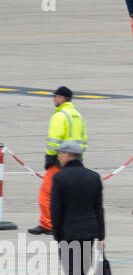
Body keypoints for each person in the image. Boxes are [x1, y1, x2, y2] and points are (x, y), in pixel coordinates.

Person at [49, 140, 104, 275]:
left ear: (69, 155)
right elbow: (99, 208)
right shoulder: (93, 177)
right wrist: (102, 235)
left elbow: (55, 210)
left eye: (60, 153)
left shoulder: (60, 178)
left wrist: (57, 234)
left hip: (68, 233)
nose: (58, 156)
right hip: (89, 232)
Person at [31, 87, 87, 237]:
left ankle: (48, 224)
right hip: (76, 159)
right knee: (70, 193)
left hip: (59, 159)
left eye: (56, 96)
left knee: (46, 192)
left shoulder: (60, 116)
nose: (54, 99)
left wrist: (50, 158)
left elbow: (53, 141)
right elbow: (83, 140)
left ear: (63, 98)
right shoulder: (78, 115)